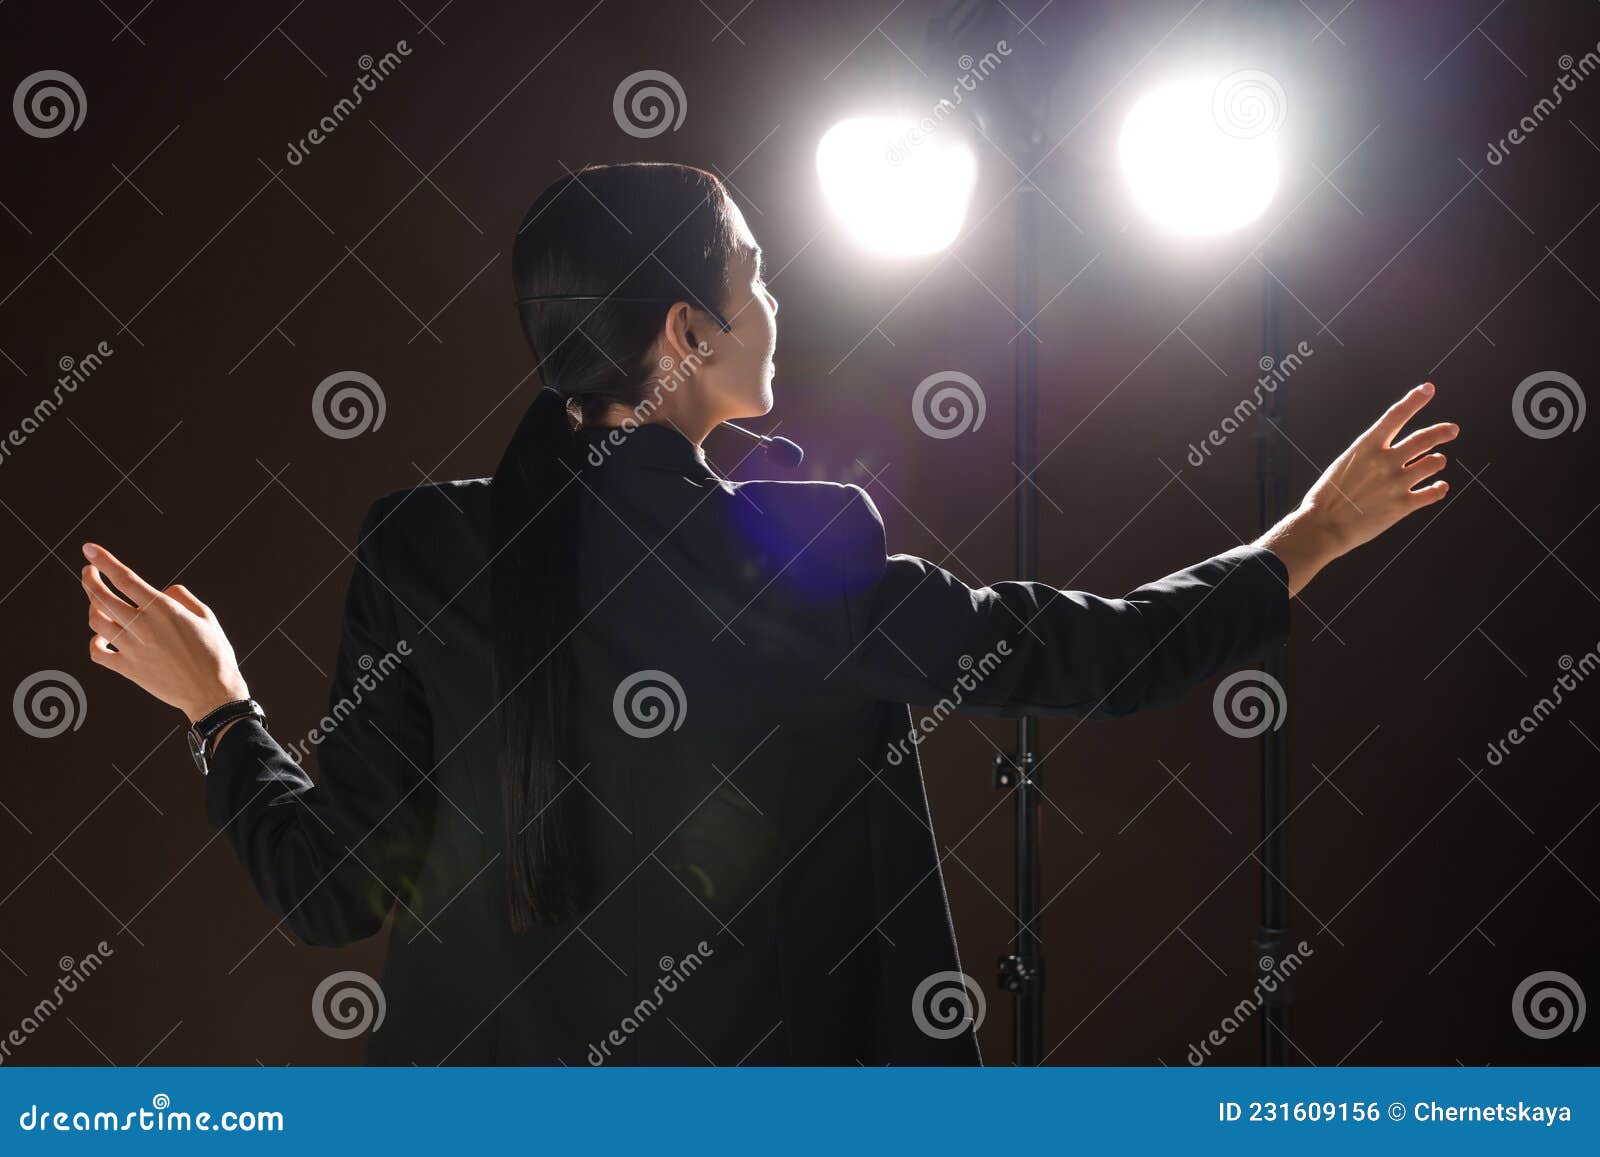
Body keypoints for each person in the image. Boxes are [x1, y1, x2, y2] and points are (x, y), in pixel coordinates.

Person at [78, 162, 1458, 1065]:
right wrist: (1314, 531)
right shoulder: (794, 554)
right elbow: (1094, 655)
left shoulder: (424, 545)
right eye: (758, 280)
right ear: (688, 332)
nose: (777, 308)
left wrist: (218, 707)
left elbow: (328, 891)